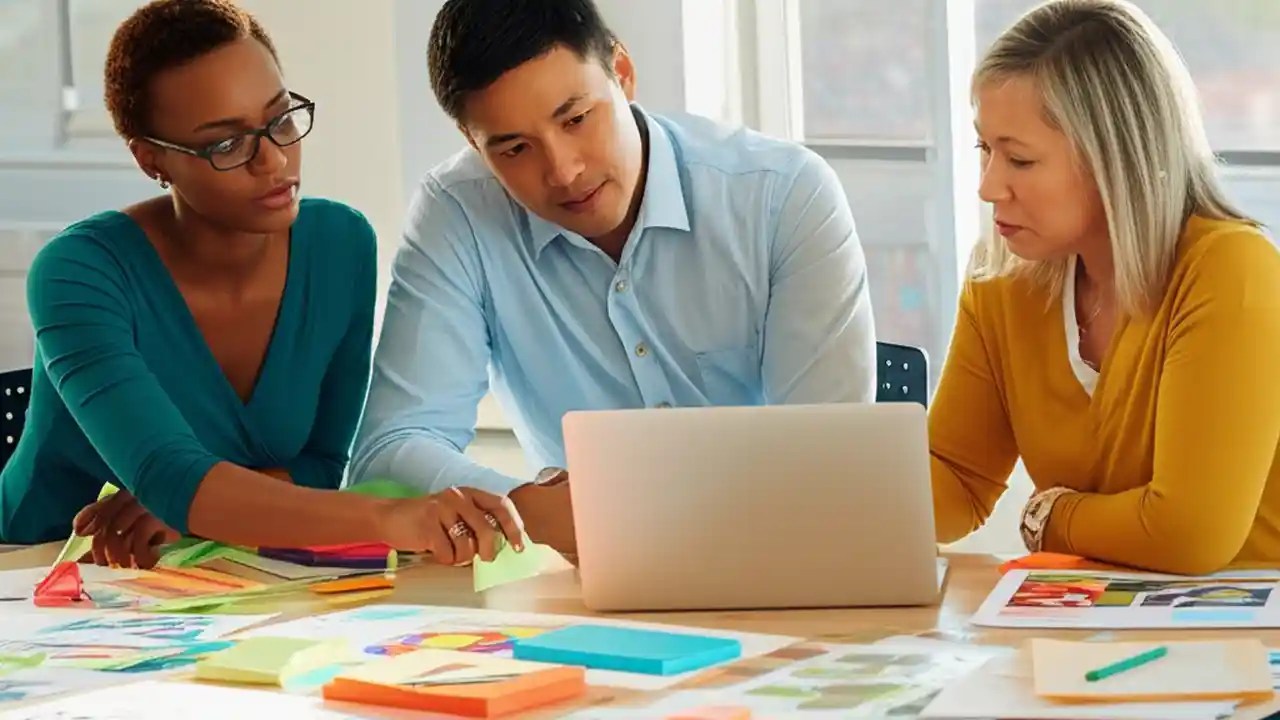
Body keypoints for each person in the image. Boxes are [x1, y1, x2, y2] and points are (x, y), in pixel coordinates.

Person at [0, 0, 522, 568]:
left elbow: (323, 463)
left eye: (280, 119)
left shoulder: (340, 245)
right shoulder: (78, 272)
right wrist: (387, 517)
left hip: (218, 573)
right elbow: (171, 476)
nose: (273, 161)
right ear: (151, 160)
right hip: (39, 571)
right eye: (226, 144)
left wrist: (202, 511)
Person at [349, 0, 877, 557]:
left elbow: (830, 461)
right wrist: (524, 508)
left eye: (575, 118)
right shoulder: (458, 212)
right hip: (591, 585)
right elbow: (389, 450)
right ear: (472, 142)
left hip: (780, 560)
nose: (563, 170)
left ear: (621, 73)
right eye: (514, 148)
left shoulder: (783, 194)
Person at [930, 0, 1280, 574]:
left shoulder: (1229, 269)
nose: (989, 187)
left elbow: (1190, 534)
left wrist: (1049, 518)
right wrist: (833, 494)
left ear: (1114, 158)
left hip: (1244, 636)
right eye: (984, 150)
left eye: (1018, 159)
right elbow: (955, 480)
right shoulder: (1004, 279)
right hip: (1092, 625)